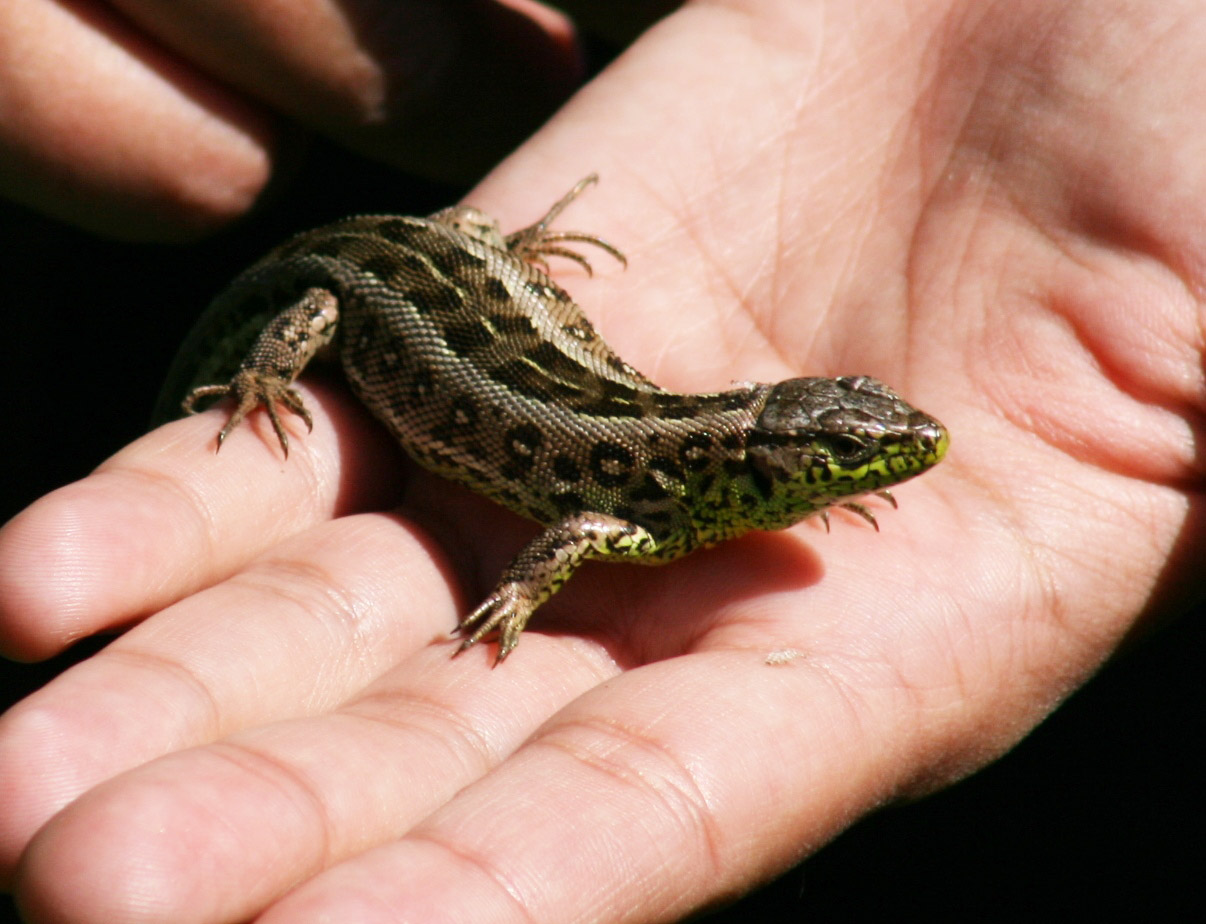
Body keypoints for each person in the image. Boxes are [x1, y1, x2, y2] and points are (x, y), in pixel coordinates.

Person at [0, 1, 1200, 921]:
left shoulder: (702, 478)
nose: (888, 454)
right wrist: (517, 592)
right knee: (312, 328)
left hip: (438, 255)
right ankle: (256, 367)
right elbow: (575, 532)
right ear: (770, 466)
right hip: (350, 281)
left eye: (858, 448)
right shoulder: (655, 508)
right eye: (844, 450)